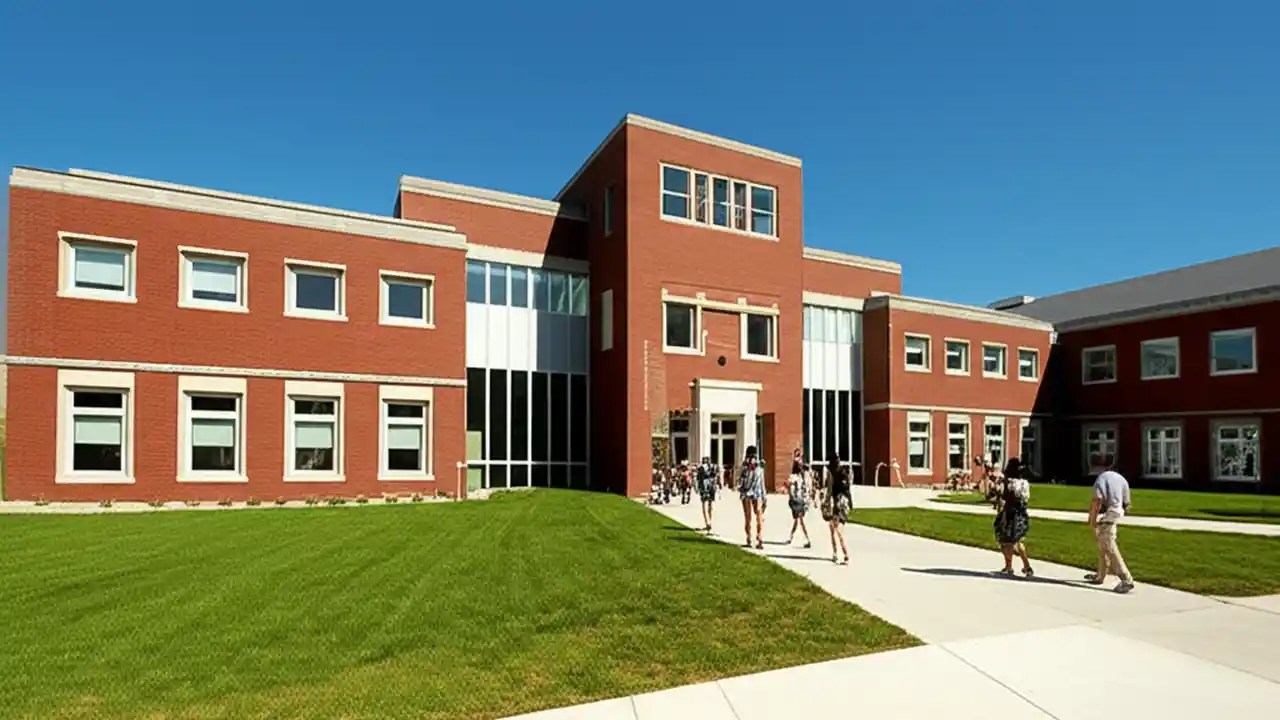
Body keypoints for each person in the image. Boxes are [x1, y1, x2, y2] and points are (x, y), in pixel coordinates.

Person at [1086, 453, 1135, 593]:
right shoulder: (1122, 479)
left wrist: (1093, 521)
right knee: (1103, 543)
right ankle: (1100, 575)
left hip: (1109, 513)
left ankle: (1126, 579)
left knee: (1109, 544)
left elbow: (1097, 501)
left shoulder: (1100, 479)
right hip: (1117, 511)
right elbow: (1127, 504)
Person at [991, 458, 1034, 578]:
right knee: (1018, 540)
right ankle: (1027, 565)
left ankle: (1009, 566)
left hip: (1009, 514)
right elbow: (1025, 498)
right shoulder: (1025, 483)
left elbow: (1000, 494)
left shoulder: (1008, 482)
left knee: (1005, 540)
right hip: (1022, 513)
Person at [821, 454, 851, 564]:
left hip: (839, 505)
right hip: (842, 505)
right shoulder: (842, 472)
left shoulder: (833, 474)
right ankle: (837, 554)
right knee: (834, 529)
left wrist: (825, 502)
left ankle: (844, 554)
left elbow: (829, 491)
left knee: (836, 530)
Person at [738, 446, 766, 549]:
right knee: (748, 516)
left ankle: (760, 537)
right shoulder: (745, 468)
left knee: (759, 514)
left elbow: (762, 482)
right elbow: (741, 482)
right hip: (747, 493)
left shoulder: (759, 467)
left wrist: (764, 496)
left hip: (757, 493)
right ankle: (749, 537)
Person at [786, 448, 812, 547]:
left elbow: (808, 486)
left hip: (801, 500)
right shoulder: (795, 476)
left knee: (799, 520)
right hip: (798, 500)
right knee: (798, 520)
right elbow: (790, 488)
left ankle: (807, 539)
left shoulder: (803, 475)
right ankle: (792, 537)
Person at [696, 456, 717, 532]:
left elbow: (698, 478)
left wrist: (698, 488)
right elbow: (715, 476)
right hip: (712, 486)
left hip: (704, 487)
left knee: (705, 504)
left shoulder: (701, 468)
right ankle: (709, 521)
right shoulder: (713, 467)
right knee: (710, 504)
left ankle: (707, 522)